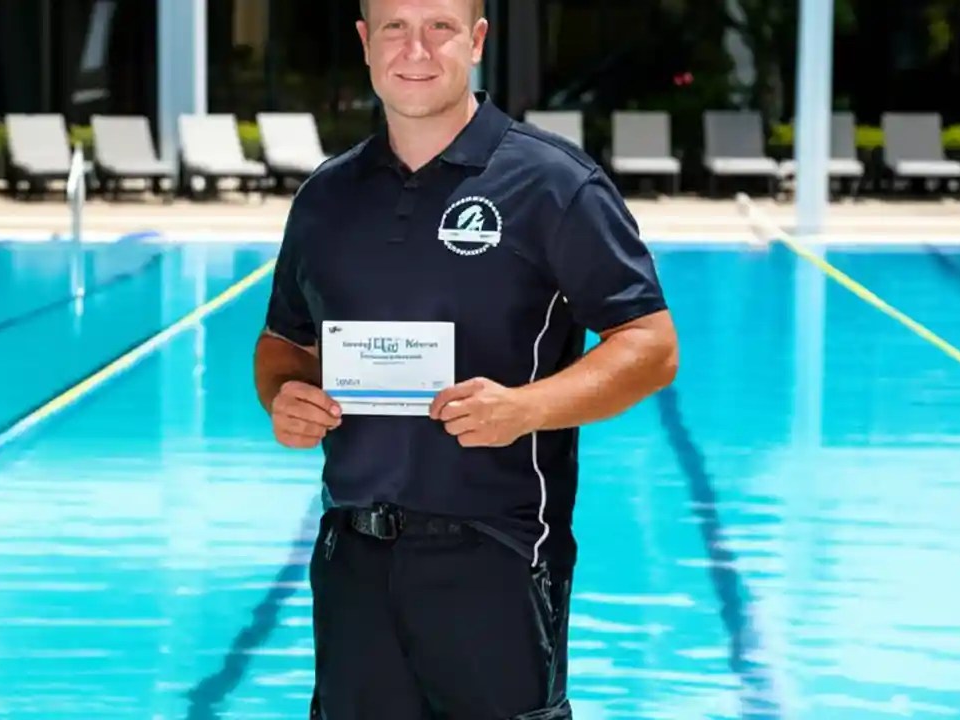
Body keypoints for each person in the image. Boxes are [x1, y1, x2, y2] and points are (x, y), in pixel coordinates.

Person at [251, 0, 679, 717]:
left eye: (440, 26)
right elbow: (283, 344)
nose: (415, 47)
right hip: (353, 560)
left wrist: (525, 409)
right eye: (394, 27)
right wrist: (285, 395)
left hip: (497, 560)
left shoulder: (553, 185)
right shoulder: (326, 197)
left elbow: (650, 345)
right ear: (364, 42)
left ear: (476, 40)